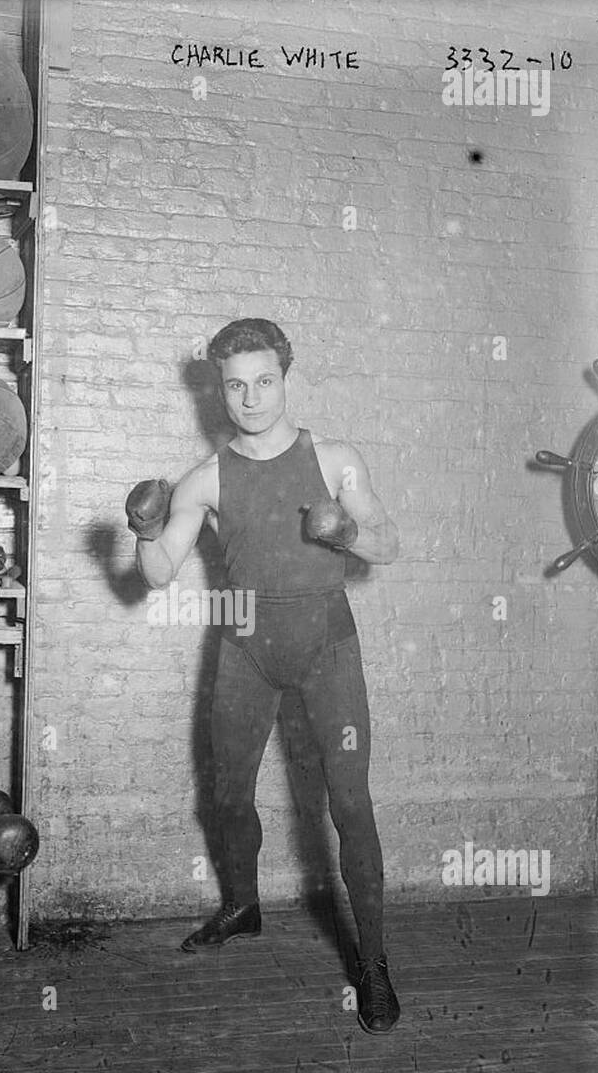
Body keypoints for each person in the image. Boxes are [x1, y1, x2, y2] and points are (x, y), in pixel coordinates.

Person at [125, 319, 401, 1033]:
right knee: (226, 789)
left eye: (264, 381)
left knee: (348, 803)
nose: (249, 399)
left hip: (324, 643)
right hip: (244, 646)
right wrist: (143, 530)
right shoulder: (207, 477)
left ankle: (370, 962)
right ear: (218, 389)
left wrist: (343, 532)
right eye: (235, 385)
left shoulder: (333, 457)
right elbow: (156, 577)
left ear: (286, 377)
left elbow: (389, 544)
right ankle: (242, 906)